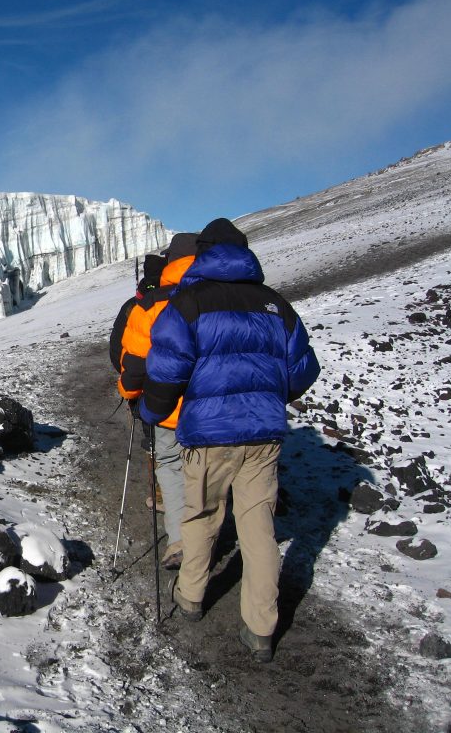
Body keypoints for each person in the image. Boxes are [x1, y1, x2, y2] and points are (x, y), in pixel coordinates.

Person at [139, 218, 319, 663]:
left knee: (201, 516)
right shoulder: (276, 305)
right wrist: (270, 396)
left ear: (203, 254)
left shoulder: (187, 303)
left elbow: (166, 370)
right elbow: (303, 370)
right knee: (258, 528)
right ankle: (261, 628)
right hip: (264, 436)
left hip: (208, 435)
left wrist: (153, 412)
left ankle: (191, 597)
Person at [117, 233, 198, 569]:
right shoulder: (214, 297)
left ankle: (180, 540)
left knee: (170, 465)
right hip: (212, 408)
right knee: (206, 472)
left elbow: (131, 360)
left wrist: (128, 392)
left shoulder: (149, 305)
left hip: (166, 407)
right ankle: (207, 532)